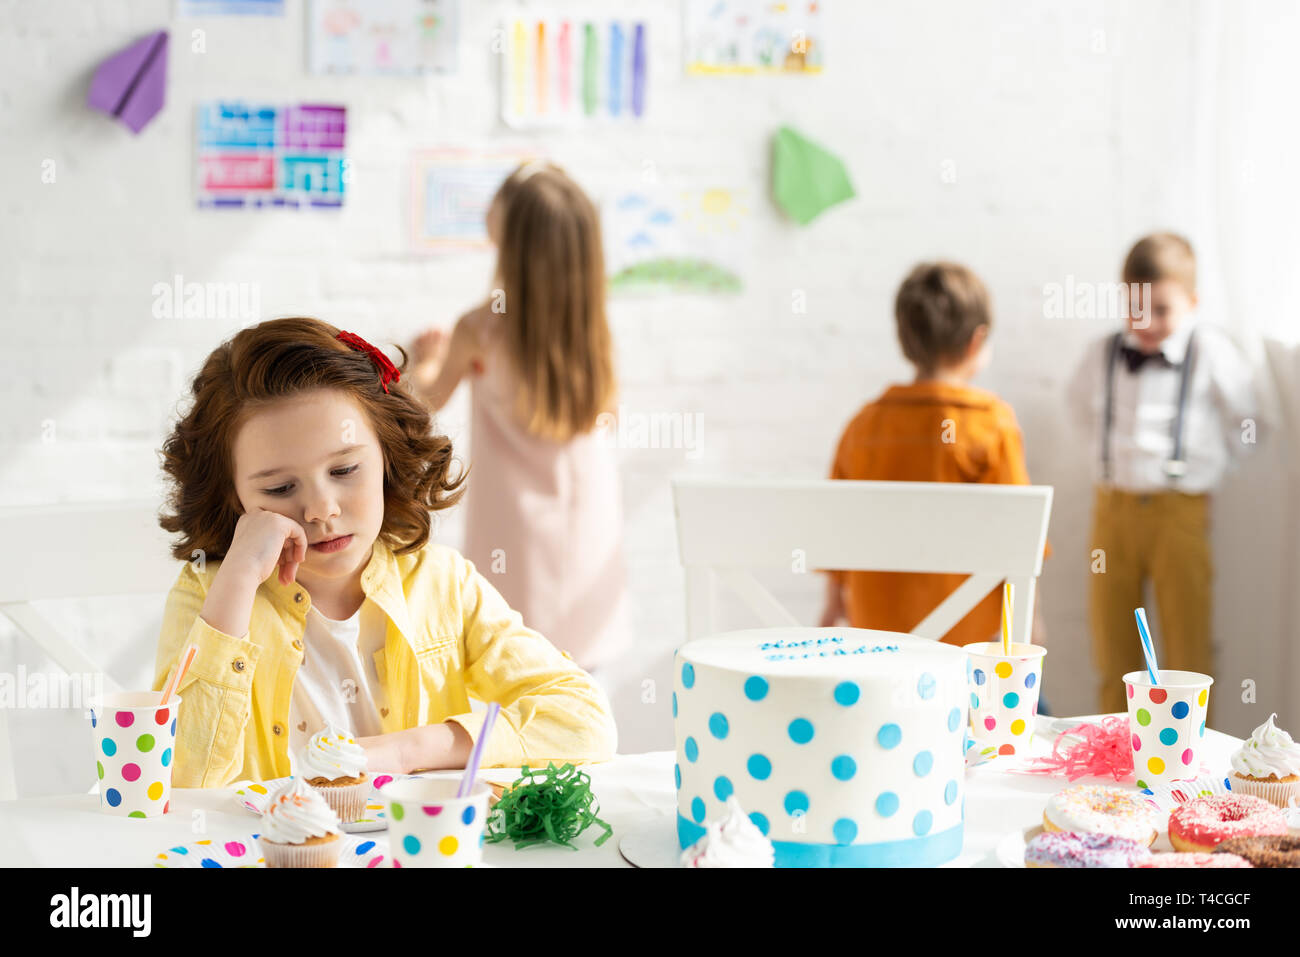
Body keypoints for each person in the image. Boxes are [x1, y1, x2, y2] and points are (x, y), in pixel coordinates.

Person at [153, 316, 617, 788]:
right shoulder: (208, 594)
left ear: (387, 456)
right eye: (279, 487)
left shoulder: (441, 584)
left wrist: (410, 749)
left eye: (345, 469)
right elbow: (181, 780)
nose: (320, 510)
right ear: (235, 495)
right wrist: (235, 585)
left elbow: (584, 720)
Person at [407, 161, 634, 675]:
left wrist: (424, 363)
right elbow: (608, 412)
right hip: (586, 523)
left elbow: (424, 402)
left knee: (510, 661)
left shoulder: (481, 330)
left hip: (514, 530)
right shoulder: (590, 327)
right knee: (579, 668)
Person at [1067, 233, 1259, 717]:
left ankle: (1193, 764)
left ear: (1192, 303)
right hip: (1111, 515)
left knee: (1188, 653)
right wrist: (1107, 462)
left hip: (1181, 514)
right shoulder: (1102, 354)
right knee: (1113, 650)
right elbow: (1079, 410)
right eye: (1135, 307)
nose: (1146, 322)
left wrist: (1211, 472)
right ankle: (1117, 748)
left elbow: (1252, 423)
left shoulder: (1211, 351)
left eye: (1162, 308)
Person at [820, 261, 1049, 647]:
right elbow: (1020, 539)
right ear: (976, 341)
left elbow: (836, 533)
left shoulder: (863, 426)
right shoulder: (991, 424)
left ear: (905, 339)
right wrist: (1032, 618)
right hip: (967, 646)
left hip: (877, 640)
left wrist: (831, 605)